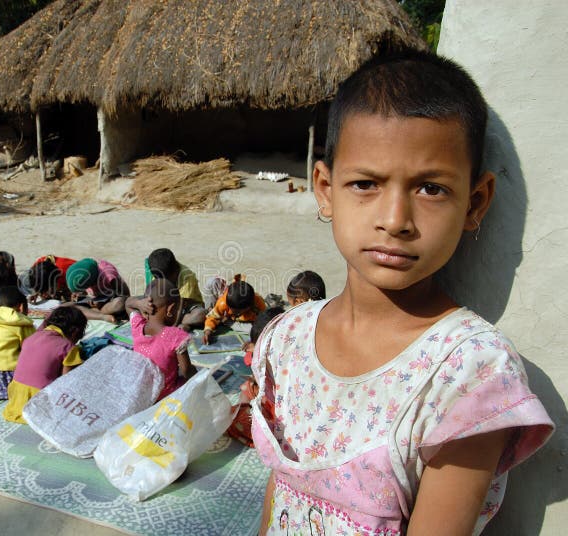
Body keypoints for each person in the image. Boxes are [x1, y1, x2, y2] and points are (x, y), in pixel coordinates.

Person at [252, 50, 553, 535]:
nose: (395, 219)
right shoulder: (287, 339)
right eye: (365, 183)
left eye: (431, 189)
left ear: (475, 203)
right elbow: (281, 489)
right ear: (325, 188)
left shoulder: (467, 373)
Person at [3, 305, 87, 423]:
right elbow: (67, 381)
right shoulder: (68, 347)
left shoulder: (32, 337)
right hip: (40, 401)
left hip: (16, 397)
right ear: (75, 332)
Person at [126, 279, 195, 400]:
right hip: (165, 394)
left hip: (142, 393)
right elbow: (186, 371)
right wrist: (202, 377)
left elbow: (127, 304)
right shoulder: (176, 336)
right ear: (170, 310)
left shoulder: (137, 326)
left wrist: (139, 304)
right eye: (178, 309)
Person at [227, 306, 284, 448]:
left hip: (282, 420)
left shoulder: (282, 365)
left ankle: (269, 441)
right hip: (272, 404)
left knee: (235, 417)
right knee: (248, 387)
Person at [144, 248, 205, 330]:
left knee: (199, 315)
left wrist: (173, 326)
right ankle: (171, 322)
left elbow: (181, 304)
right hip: (167, 308)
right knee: (139, 303)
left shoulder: (187, 276)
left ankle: (169, 322)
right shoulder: (158, 274)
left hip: (185, 307)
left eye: (166, 280)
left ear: (175, 271)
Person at [66, 258, 130, 322]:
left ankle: (97, 314)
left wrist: (101, 303)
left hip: (108, 302)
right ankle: (98, 313)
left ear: (93, 281)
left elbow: (125, 295)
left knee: (120, 303)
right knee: (65, 307)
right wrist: (79, 294)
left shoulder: (109, 276)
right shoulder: (85, 275)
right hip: (95, 302)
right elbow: (86, 291)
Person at [202, 279, 266, 344]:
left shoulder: (259, 306)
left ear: (249, 307)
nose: (235, 314)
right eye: (232, 311)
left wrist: (231, 323)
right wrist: (208, 330)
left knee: (257, 330)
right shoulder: (223, 303)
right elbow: (212, 317)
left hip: (241, 322)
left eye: (238, 312)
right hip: (225, 316)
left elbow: (262, 325)